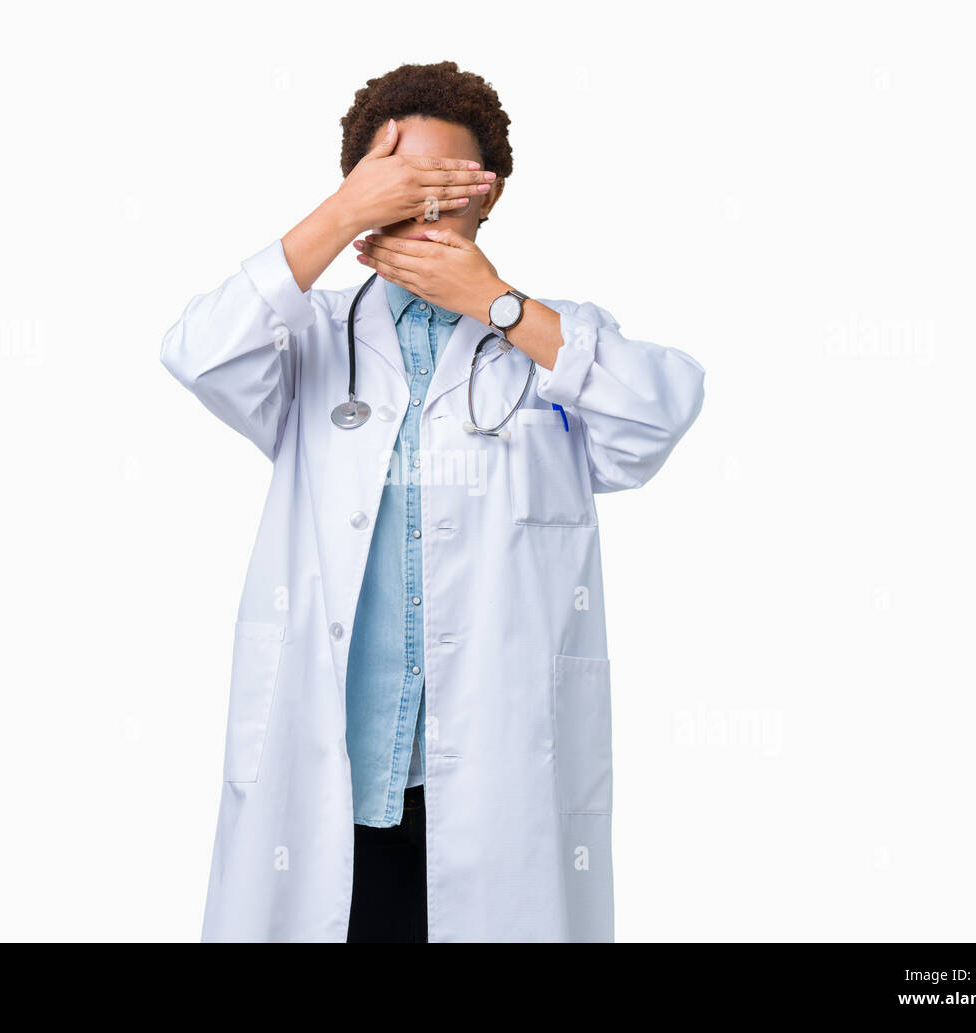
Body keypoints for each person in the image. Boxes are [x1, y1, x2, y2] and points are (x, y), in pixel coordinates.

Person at [161, 61, 705, 942]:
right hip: (330, 781)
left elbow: (656, 415)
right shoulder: (305, 336)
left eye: (446, 188)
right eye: (397, 188)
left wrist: (494, 303)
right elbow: (197, 351)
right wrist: (341, 215)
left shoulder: (547, 339)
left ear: (488, 200)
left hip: (498, 788)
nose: (422, 213)